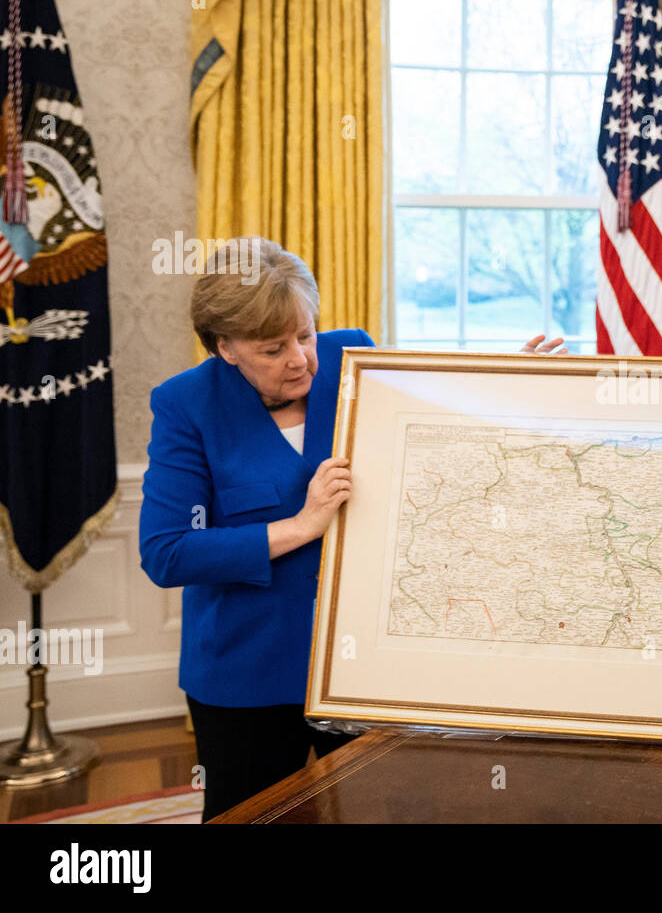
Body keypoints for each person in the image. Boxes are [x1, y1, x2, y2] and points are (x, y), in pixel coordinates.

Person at [139, 236, 565, 820]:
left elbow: (438, 422)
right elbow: (168, 553)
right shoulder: (185, 404)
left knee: (388, 809)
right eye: (273, 348)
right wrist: (300, 525)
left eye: (305, 335)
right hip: (245, 677)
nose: (301, 359)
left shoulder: (352, 357)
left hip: (364, 664)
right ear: (225, 347)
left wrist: (510, 384)